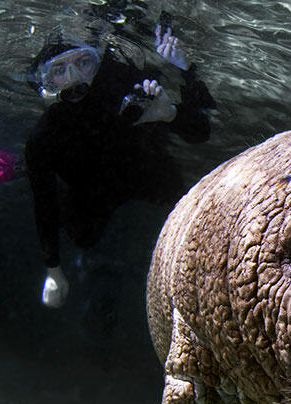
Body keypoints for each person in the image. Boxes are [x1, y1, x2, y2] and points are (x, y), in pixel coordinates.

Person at [25, 21, 215, 308]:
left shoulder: (124, 82)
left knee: (188, 212)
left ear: (97, 60)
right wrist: (53, 270)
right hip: (91, 189)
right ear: (47, 81)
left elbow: (201, 131)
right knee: (82, 238)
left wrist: (173, 103)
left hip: (144, 170)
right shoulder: (43, 137)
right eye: (60, 70)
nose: (76, 77)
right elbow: (44, 201)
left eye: (84, 62)